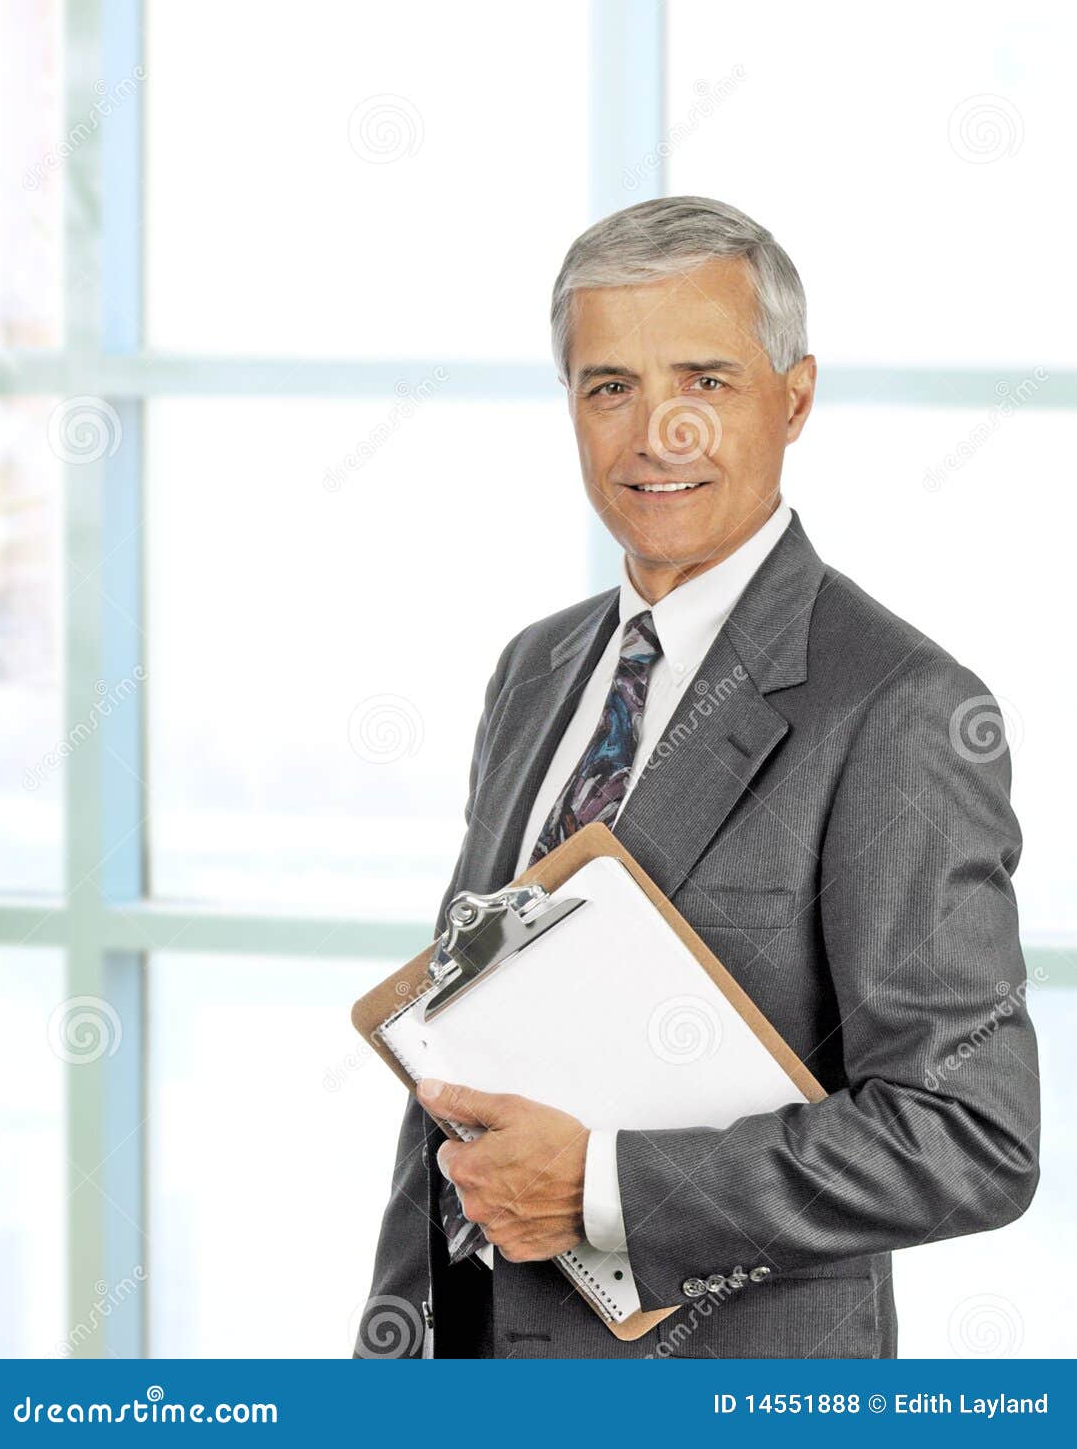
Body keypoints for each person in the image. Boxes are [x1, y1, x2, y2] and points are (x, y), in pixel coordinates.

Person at [356, 196, 1039, 1360]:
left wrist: (610, 1184)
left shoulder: (900, 707)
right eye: (609, 386)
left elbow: (971, 1134)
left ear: (798, 396)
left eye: (706, 383)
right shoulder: (538, 669)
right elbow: (465, 1051)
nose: (654, 435)